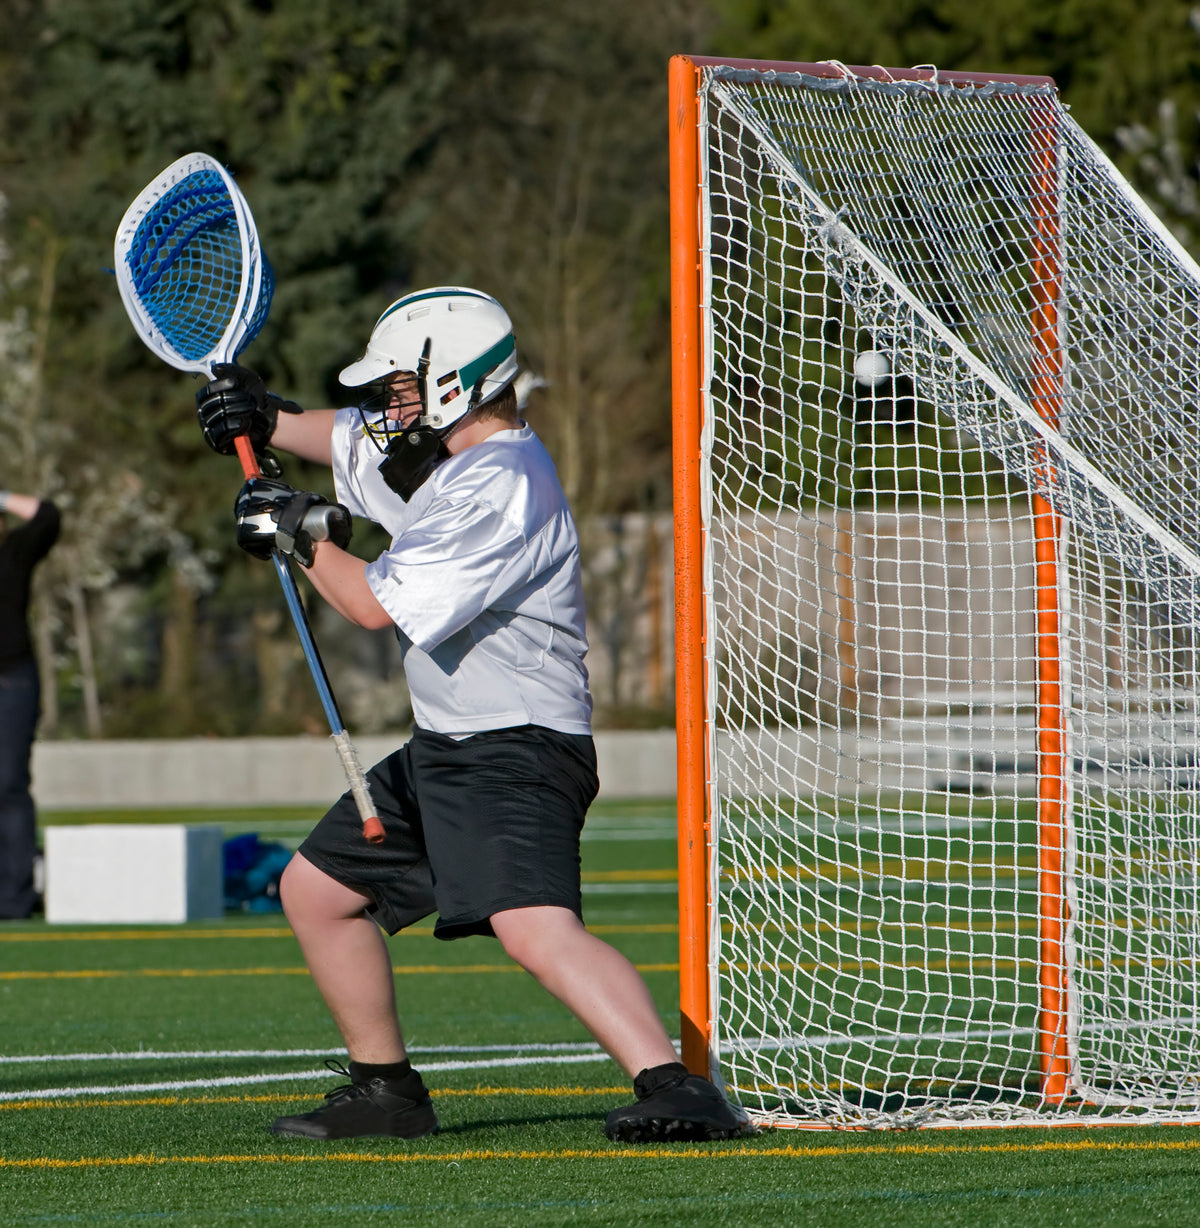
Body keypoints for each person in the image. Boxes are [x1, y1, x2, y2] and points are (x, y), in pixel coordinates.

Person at [195, 286, 750, 1143]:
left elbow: (375, 606)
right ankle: (386, 1091)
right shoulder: (449, 463)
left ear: (454, 381)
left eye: (400, 387)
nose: (386, 404)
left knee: (532, 928)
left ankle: (677, 1086)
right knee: (316, 891)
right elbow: (342, 439)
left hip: (515, 746)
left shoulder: (498, 485)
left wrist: (301, 535)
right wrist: (263, 418)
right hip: (450, 744)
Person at [0, 491, 60, 920]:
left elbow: (48, 515)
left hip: (11, 683)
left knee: (8, 785)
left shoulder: (14, 553)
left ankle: (15, 899)